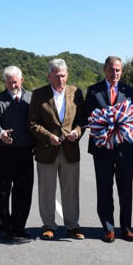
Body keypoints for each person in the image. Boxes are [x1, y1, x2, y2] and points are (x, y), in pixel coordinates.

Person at [28, 58, 85, 240]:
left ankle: (72, 226)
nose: (61, 79)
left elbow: (81, 121)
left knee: (71, 190)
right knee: (46, 190)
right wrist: (48, 136)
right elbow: (32, 123)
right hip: (47, 150)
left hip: (70, 149)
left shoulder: (75, 92)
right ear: (49, 76)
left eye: (63, 75)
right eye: (57, 76)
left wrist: (77, 132)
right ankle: (49, 225)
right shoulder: (38, 94)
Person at [84, 56, 133, 243]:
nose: (115, 73)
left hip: (124, 148)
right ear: (105, 70)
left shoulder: (129, 90)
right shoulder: (93, 91)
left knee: (126, 190)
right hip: (102, 149)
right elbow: (87, 117)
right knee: (104, 190)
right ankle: (108, 228)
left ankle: (127, 228)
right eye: (112, 70)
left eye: (118, 70)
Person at [0, 66, 35, 241]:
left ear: (21, 80)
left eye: (15, 81)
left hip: (25, 152)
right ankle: (5, 227)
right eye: (9, 82)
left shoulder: (31, 98)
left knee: (23, 191)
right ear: (5, 82)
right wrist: (1, 133)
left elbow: (37, 122)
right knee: (3, 191)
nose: (12, 84)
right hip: (3, 152)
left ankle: (19, 226)